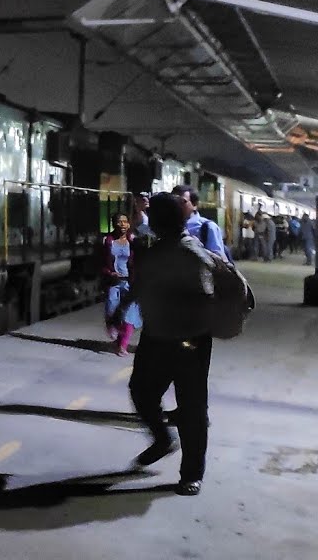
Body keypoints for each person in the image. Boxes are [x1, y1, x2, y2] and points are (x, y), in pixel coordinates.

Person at [128, 192, 215, 496]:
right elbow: (142, 284)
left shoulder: (191, 252)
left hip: (189, 340)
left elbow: (206, 297)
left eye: (153, 214)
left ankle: (192, 474)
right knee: (141, 390)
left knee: (191, 407)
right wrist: (121, 307)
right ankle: (163, 439)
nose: (148, 218)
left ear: (163, 219)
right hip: (157, 334)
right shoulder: (155, 249)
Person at [101, 213, 142, 355]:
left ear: (129, 224)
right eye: (119, 222)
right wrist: (109, 272)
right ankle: (115, 332)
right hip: (113, 282)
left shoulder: (133, 241)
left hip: (129, 282)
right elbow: (100, 262)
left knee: (129, 314)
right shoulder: (107, 241)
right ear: (114, 224)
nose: (123, 224)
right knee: (112, 310)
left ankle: (122, 346)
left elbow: (138, 260)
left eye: (125, 221)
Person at [172, 185, 228, 259]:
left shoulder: (207, 227)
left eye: (182, 202)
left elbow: (220, 260)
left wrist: (198, 248)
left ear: (194, 205)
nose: (177, 205)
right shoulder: (167, 226)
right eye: (173, 202)